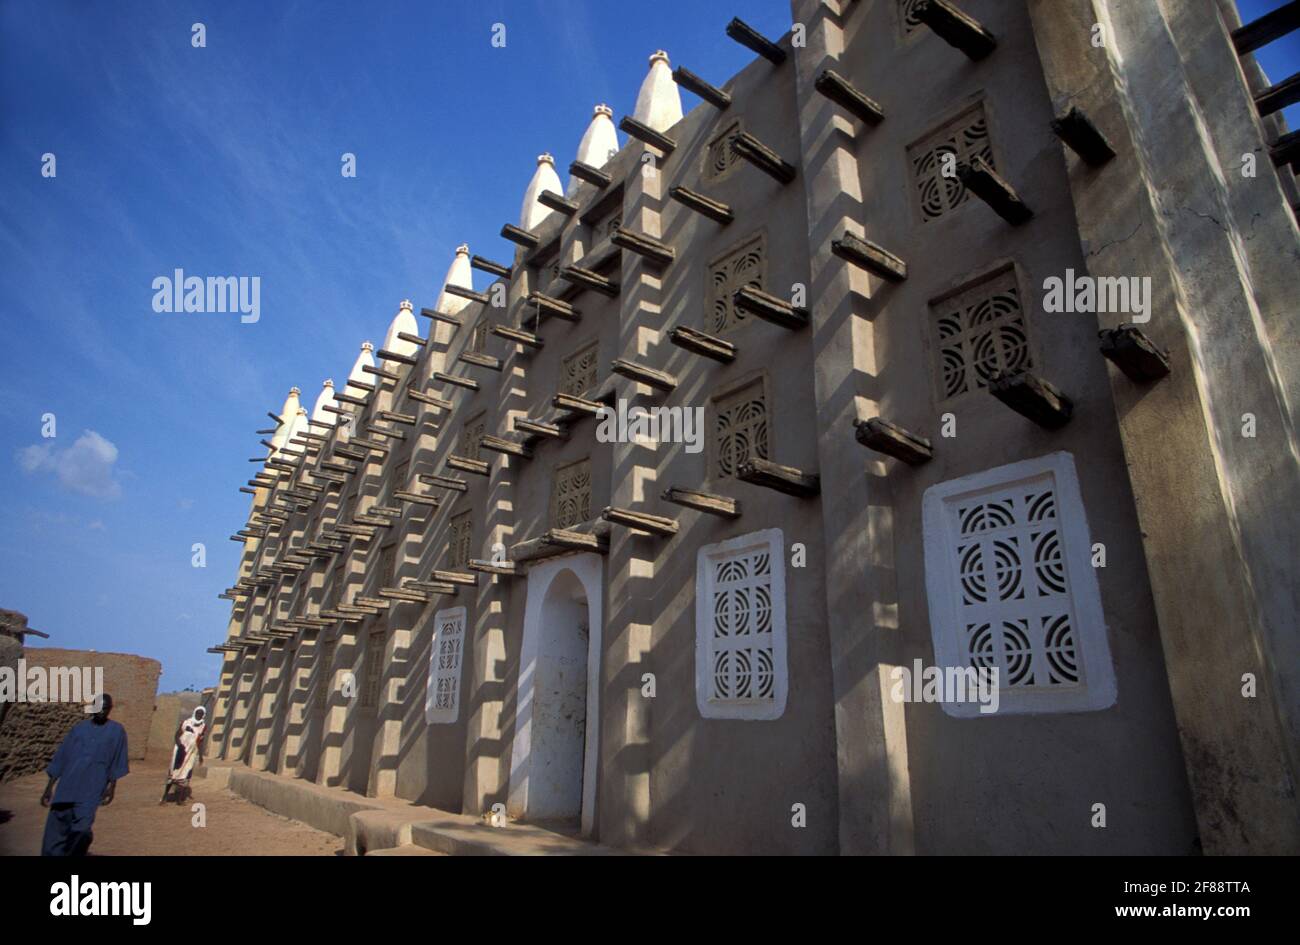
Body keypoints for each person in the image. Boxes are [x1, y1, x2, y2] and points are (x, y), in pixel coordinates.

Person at [40, 692, 129, 856]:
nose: (101, 712)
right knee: (56, 830)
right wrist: (49, 787)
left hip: (92, 788)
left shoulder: (117, 732)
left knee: (82, 830)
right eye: (98, 708)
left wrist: (112, 787)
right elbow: (62, 757)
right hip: (67, 786)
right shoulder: (79, 729)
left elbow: (117, 761)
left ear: (110, 709)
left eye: (105, 709)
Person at [161, 705, 206, 804]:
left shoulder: (203, 726)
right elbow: (177, 734)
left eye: (201, 713)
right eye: (198, 713)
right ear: (195, 713)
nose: (199, 715)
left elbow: (200, 742)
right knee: (173, 772)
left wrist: (201, 756)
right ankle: (164, 796)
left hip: (191, 753)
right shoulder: (186, 722)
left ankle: (179, 799)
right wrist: (179, 745)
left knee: (185, 775)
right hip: (180, 751)